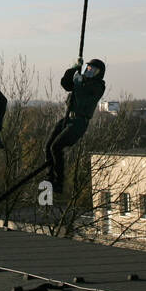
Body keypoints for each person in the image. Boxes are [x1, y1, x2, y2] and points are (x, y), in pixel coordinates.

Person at [44, 58, 107, 192]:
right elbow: (66, 84)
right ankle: (50, 176)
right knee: (48, 146)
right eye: (87, 68)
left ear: (99, 73)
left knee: (56, 147)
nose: (88, 71)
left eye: (92, 70)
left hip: (79, 123)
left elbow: (82, 94)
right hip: (67, 118)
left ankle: (59, 182)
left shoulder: (97, 86)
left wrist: (78, 80)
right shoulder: (82, 81)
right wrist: (73, 69)